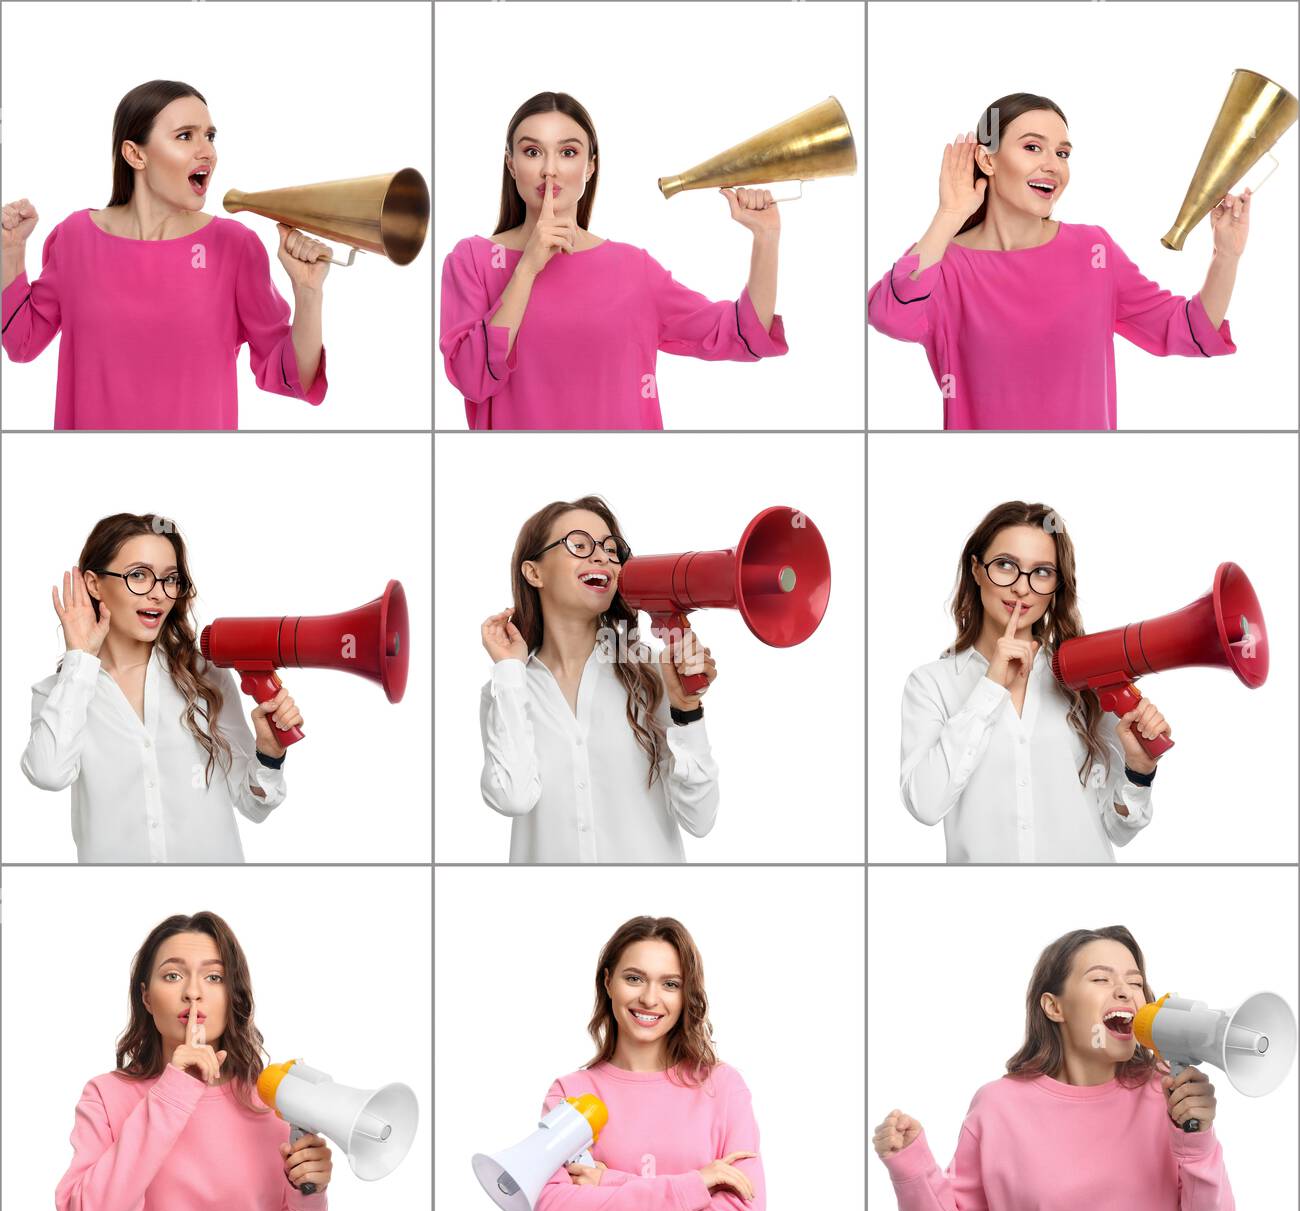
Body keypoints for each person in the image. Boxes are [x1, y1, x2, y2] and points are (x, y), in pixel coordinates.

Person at [873, 926, 1235, 1211]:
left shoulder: (1167, 1097)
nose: (1126, 991)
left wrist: (1197, 1141)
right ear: (1054, 1006)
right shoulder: (999, 1108)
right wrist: (912, 1167)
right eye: (1100, 978)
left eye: (1136, 982)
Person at [867, 93, 1247, 429]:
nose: (1053, 165)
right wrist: (949, 215)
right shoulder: (945, 266)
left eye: (1062, 153)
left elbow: (1187, 328)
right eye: (1033, 147)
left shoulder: (1092, 250)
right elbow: (889, 316)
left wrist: (1225, 255)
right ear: (988, 159)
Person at [440, 91, 787, 428]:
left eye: (568, 152)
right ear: (511, 164)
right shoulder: (473, 261)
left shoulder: (633, 270)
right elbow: (472, 380)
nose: (550, 169)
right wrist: (527, 268)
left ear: (590, 167)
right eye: (532, 151)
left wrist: (766, 238)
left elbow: (742, 334)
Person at [1, 79, 329, 428]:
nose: (207, 151)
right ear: (135, 155)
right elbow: (22, 343)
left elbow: (291, 375)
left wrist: (309, 293)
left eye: (210, 136)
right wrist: (10, 249)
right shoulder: (74, 238)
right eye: (186, 136)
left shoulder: (234, 245)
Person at [55, 912, 332, 1211]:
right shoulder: (106, 1097)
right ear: (146, 997)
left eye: (214, 976)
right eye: (172, 975)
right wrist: (173, 1092)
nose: (193, 991)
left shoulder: (272, 1105)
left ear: (233, 996)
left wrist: (311, 1196)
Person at [21, 512, 302, 862]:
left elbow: (253, 804)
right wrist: (80, 658)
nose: (158, 594)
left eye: (170, 579)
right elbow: (47, 773)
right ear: (94, 584)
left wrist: (269, 754)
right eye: (138, 575)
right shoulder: (59, 693)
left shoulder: (205, 676)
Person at [900, 500, 1170, 862]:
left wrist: (1138, 772)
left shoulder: (1083, 676)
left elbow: (1118, 829)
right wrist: (991, 686)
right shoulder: (931, 685)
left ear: (1056, 585)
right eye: (1006, 565)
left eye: (1041, 572)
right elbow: (925, 803)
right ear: (977, 570)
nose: (1021, 588)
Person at [480, 495, 720, 862]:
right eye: (579, 545)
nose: (602, 557)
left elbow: (700, 818)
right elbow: (513, 797)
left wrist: (686, 710)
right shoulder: (507, 688)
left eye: (612, 549)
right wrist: (509, 671)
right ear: (534, 572)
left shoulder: (654, 677)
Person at [532, 917, 763, 1211]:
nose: (650, 999)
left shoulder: (721, 1087)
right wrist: (697, 1185)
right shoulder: (570, 1093)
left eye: (669, 984)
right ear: (608, 982)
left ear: (685, 994)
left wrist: (611, 1182)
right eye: (634, 978)